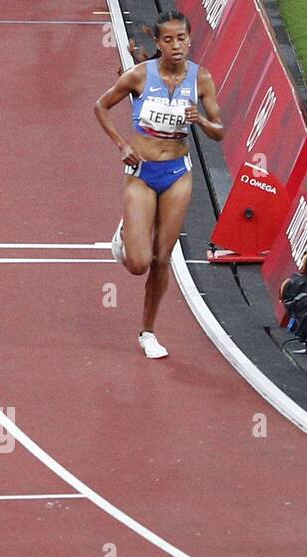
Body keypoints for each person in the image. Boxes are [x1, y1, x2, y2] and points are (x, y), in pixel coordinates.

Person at [93, 11, 224, 359]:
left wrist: (201, 122)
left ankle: (148, 332)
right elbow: (101, 106)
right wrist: (122, 145)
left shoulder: (202, 80)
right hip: (142, 173)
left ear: (190, 39)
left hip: (177, 173)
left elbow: (220, 130)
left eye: (181, 38)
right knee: (138, 263)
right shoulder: (140, 76)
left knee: (162, 258)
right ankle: (125, 234)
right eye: (168, 39)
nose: (176, 45)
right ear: (158, 43)